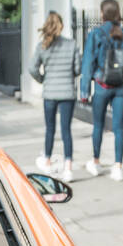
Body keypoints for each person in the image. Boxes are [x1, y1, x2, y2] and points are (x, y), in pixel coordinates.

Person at [79, 0, 123, 181]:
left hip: (101, 86)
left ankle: (96, 162)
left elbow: (88, 63)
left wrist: (84, 91)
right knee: (119, 128)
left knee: (98, 125)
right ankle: (118, 167)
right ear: (118, 13)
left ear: (102, 13)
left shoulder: (96, 35)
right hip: (121, 88)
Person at [27, 11, 79, 181]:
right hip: (67, 93)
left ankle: (48, 161)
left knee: (50, 129)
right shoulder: (72, 45)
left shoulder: (43, 46)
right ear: (61, 26)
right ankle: (68, 169)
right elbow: (78, 69)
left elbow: (32, 68)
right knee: (66, 131)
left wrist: (42, 79)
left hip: (50, 93)